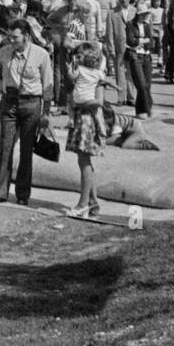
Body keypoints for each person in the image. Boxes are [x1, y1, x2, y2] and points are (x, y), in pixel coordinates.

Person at [0, 20, 53, 207]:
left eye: (15, 37)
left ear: (26, 36)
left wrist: (46, 114)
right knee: (5, 147)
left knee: (26, 150)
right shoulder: (5, 51)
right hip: (8, 102)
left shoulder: (41, 55)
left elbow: (48, 85)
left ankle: (23, 194)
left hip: (31, 103)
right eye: (9, 37)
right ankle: (0, 192)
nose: (12, 40)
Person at [64, 41, 111, 218]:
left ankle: (83, 203)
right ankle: (93, 203)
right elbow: (70, 77)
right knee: (84, 162)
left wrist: (78, 103)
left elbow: (98, 101)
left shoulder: (97, 78)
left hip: (87, 119)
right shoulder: (84, 74)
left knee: (84, 162)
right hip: (80, 117)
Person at [124, 0, 155, 118]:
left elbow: (151, 42)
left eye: (146, 14)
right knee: (141, 84)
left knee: (147, 85)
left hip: (146, 56)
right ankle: (148, 108)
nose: (145, 16)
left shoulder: (147, 25)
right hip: (135, 56)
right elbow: (131, 41)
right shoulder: (130, 24)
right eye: (144, 14)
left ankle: (140, 110)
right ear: (139, 14)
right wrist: (142, 40)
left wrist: (144, 41)